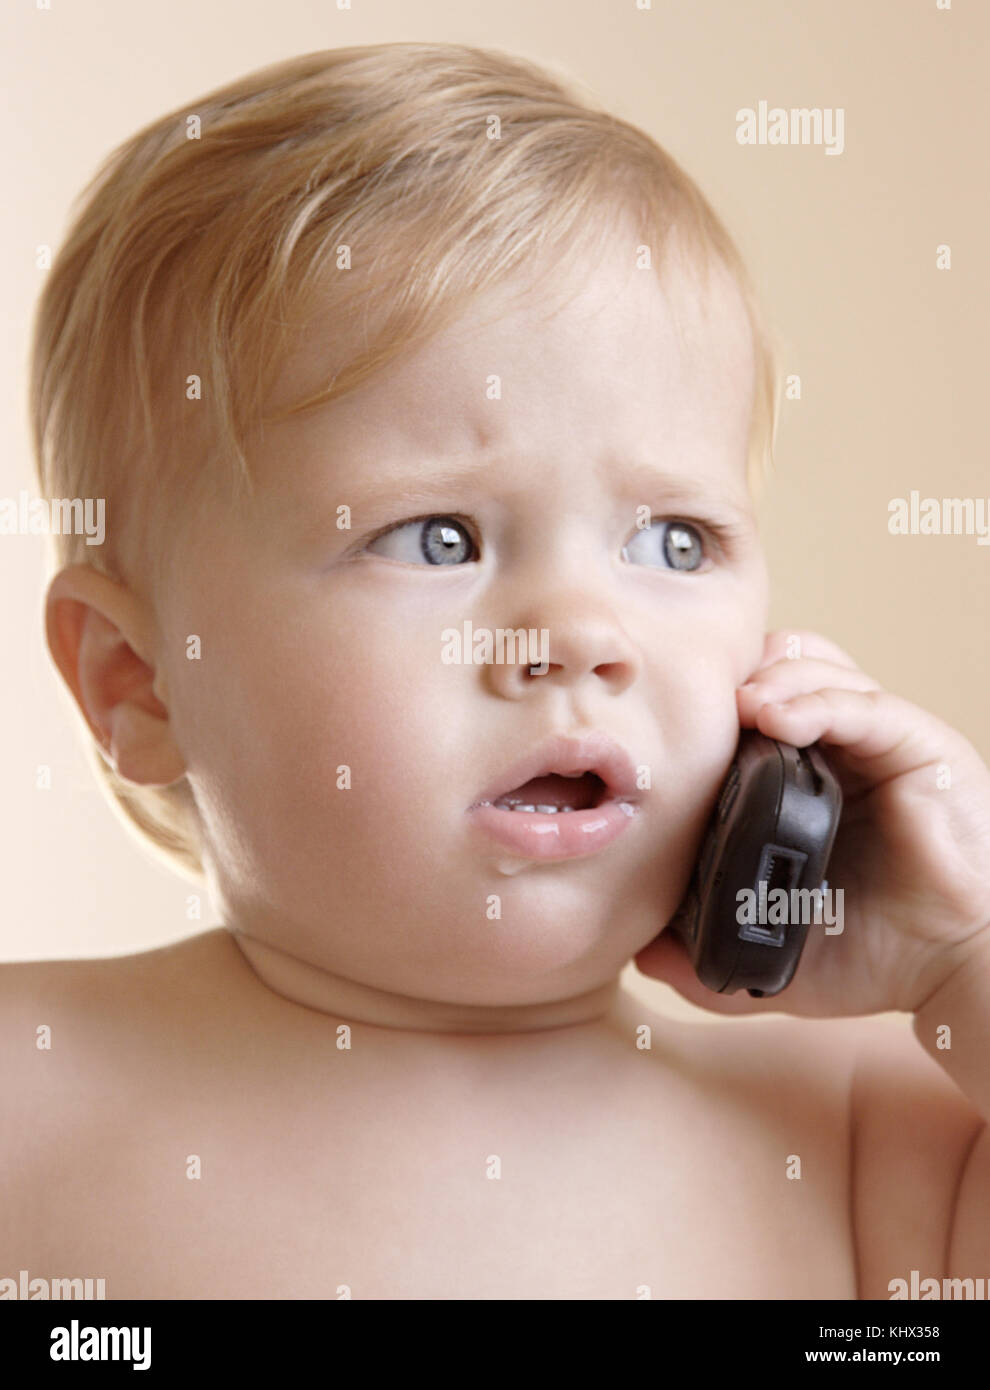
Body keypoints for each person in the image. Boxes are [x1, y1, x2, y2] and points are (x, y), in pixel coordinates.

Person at [7, 42, 989, 1300]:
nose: (583, 634)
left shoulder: (867, 1148)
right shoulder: (31, 1091)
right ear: (140, 682)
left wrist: (965, 954)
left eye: (671, 540)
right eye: (439, 538)